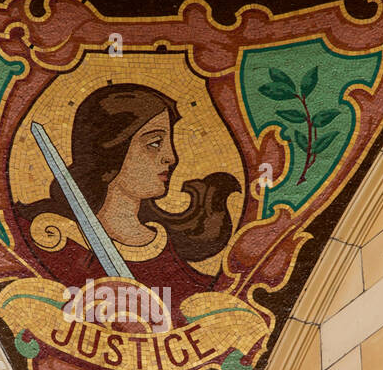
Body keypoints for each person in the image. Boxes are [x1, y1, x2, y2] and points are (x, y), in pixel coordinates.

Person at [20, 83, 239, 323]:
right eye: (154, 143)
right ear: (112, 149)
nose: (171, 156)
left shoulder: (181, 270)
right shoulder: (50, 239)